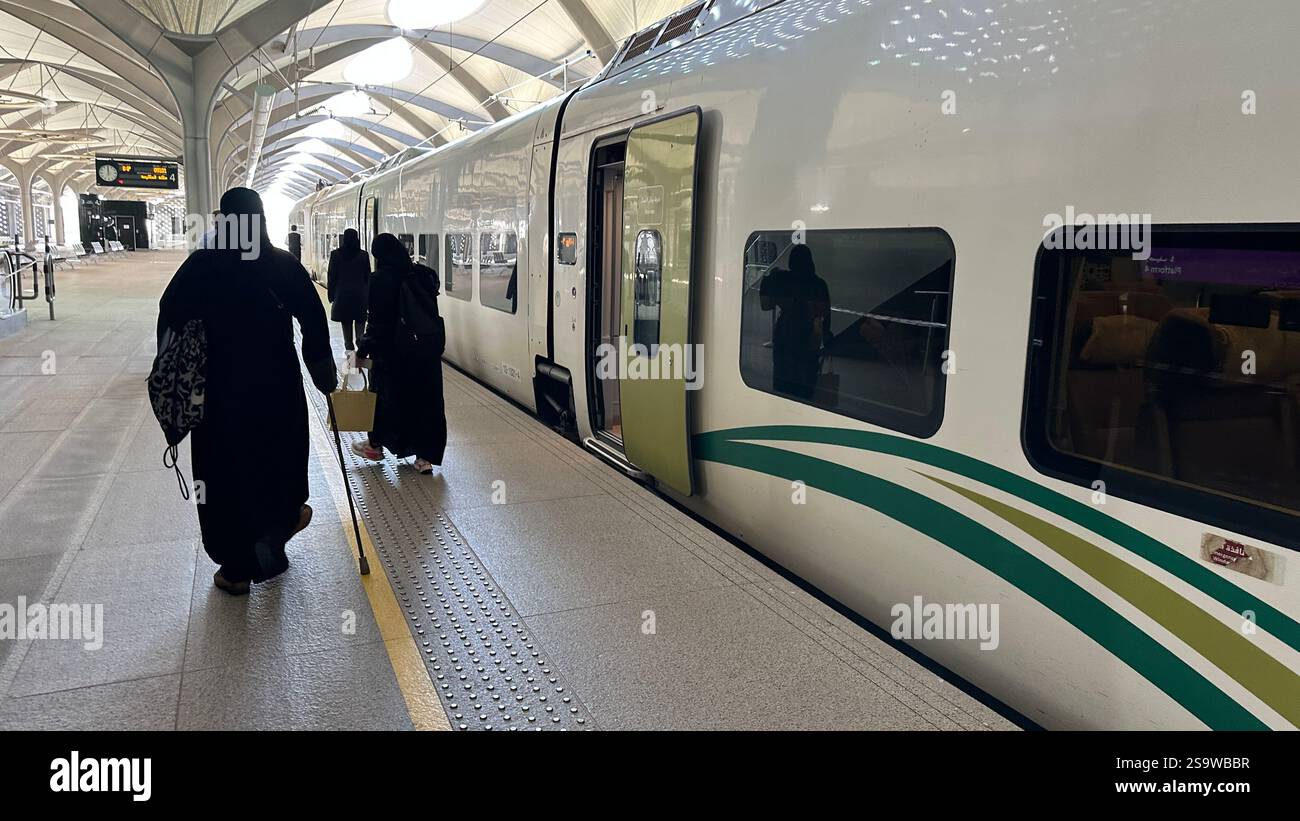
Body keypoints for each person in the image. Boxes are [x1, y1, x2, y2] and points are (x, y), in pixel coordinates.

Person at [156, 188, 337, 595]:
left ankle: (236, 569)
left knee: (222, 474)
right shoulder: (281, 264)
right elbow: (313, 317)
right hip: (277, 390)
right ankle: (278, 527)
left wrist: (171, 373)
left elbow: (169, 315)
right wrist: (323, 374)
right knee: (278, 462)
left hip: (219, 396)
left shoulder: (202, 265)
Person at [351, 233, 447, 475]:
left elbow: (377, 324)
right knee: (426, 403)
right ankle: (424, 458)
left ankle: (375, 446)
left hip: (395, 355)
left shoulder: (381, 280)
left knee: (387, 401)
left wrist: (361, 350)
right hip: (426, 353)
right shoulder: (423, 275)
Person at [759, 243, 831, 400]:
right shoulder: (819, 284)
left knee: (783, 383)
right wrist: (825, 338)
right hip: (810, 339)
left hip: (785, 337)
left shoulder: (782, 279)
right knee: (807, 384)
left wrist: (769, 278)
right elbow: (825, 316)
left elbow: (765, 305)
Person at [327, 228, 370, 351]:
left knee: (347, 340)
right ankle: (362, 363)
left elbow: (332, 277)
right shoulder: (363, 255)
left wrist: (331, 296)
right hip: (360, 298)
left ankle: (353, 366)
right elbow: (368, 277)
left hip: (342, 299)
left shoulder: (335, 255)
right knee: (360, 337)